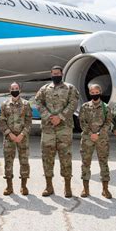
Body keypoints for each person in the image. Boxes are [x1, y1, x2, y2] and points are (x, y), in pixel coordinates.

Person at [35, 66, 79, 198]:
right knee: (47, 157)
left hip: (64, 128)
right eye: (53, 74)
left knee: (65, 157)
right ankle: (49, 186)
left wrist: (60, 117)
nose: (56, 76)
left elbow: (73, 104)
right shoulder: (44, 89)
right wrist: (49, 116)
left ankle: (67, 186)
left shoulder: (70, 88)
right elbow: (38, 102)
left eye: (58, 74)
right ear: (51, 74)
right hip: (48, 129)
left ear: (62, 74)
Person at [78, 84, 113, 199]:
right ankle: (85, 188)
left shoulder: (106, 107)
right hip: (87, 139)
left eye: (96, 92)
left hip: (101, 139)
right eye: (92, 92)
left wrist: (98, 134)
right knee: (85, 163)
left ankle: (105, 189)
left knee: (103, 163)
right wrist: (90, 134)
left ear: (100, 92)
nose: (94, 94)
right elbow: (82, 122)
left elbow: (108, 123)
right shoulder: (85, 106)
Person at [0, 82, 32, 195]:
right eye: (13, 88)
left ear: (20, 90)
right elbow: (2, 121)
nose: (15, 90)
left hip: (23, 138)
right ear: (9, 90)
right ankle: (9, 186)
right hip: (9, 138)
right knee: (8, 162)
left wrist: (22, 134)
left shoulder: (26, 104)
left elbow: (28, 122)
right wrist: (10, 134)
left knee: (24, 162)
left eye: (16, 88)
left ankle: (24, 186)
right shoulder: (4, 104)